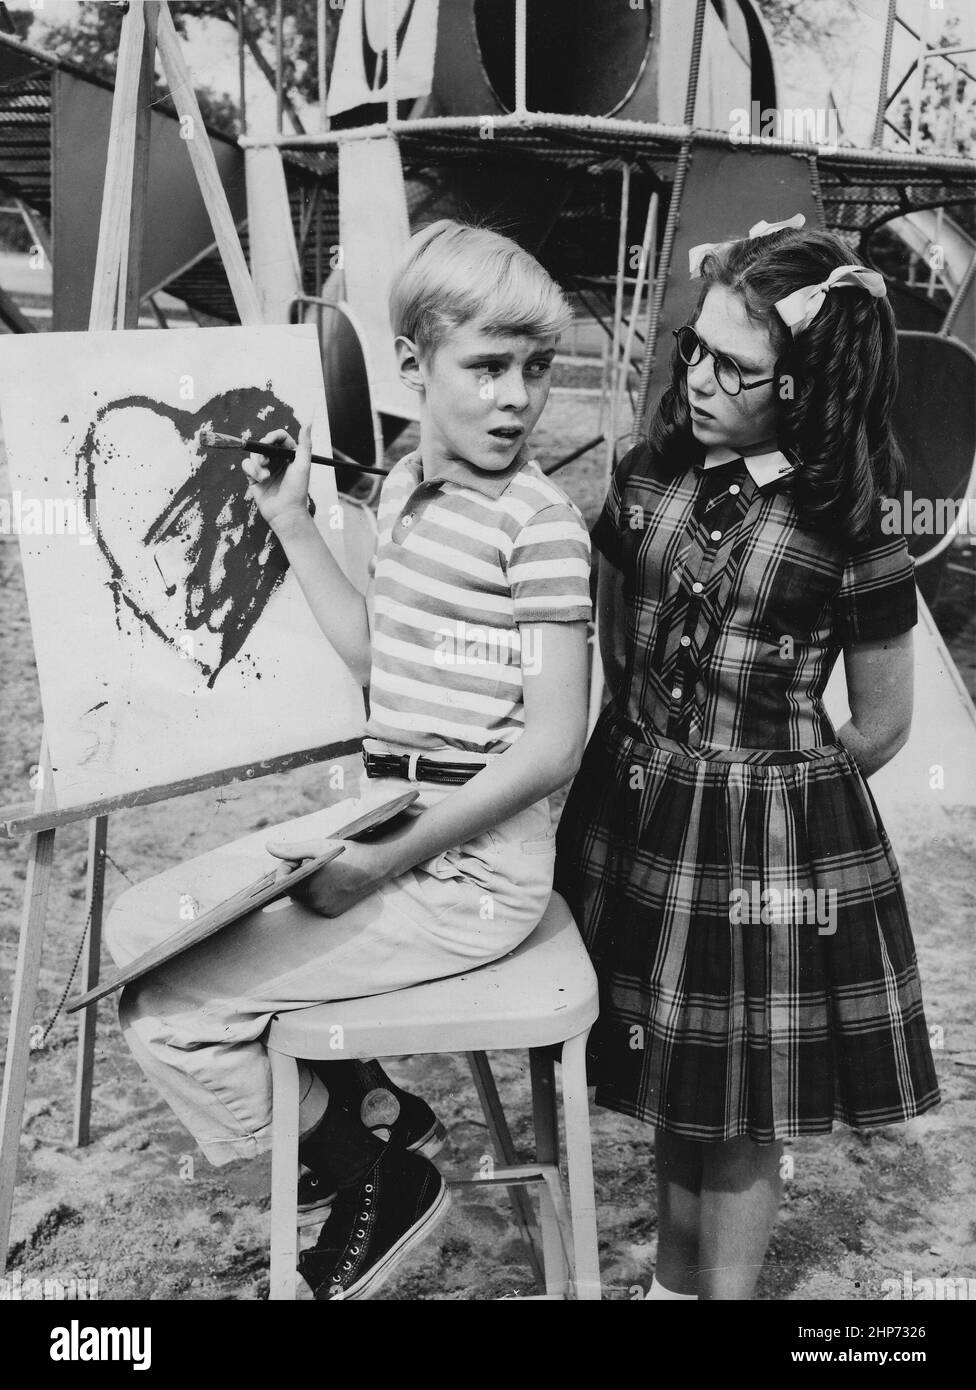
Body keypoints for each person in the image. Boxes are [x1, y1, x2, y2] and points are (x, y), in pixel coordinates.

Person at [106, 220, 592, 1300]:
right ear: (414, 366)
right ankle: (366, 1101)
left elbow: (552, 743)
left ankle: (373, 1174)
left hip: (470, 872)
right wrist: (290, 521)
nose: (516, 397)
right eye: (487, 367)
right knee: (135, 936)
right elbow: (380, 652)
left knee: (175, 1013)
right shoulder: (410, 485)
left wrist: (382, 861)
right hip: (387, 821)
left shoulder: (541, 524)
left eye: (536, 370)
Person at [553, 217, 941, 1302]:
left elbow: (879, 724)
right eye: (697, 349)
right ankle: (671, 1287)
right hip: (636, 806)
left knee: (738, 1106)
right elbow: (615, 635)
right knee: (674, 1085)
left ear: (808, 386)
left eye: (738, 367)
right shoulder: (646, 479)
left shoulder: (848, 528)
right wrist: (654, 753)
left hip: (761, 844)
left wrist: (764, 790)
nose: (701, 380)